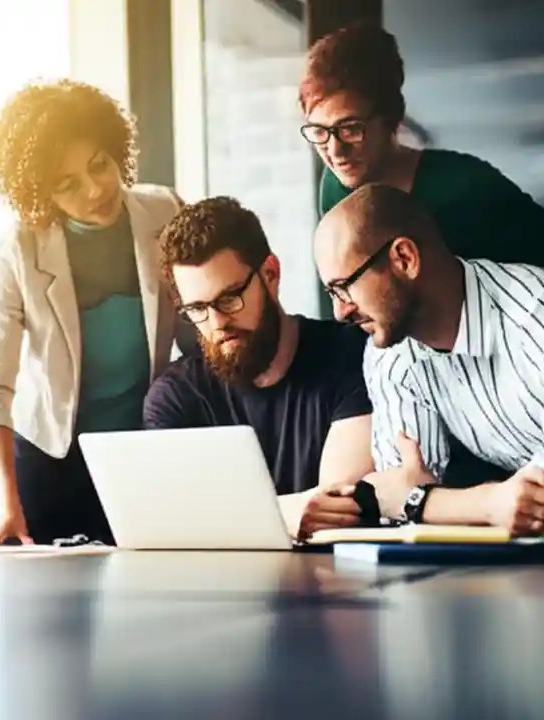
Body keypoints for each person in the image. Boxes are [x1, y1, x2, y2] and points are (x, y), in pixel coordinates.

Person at [313, 183, 544, 538]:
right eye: (332, 292)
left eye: (345, 286)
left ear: (404, 258)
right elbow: (398, 503)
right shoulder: (391, 354)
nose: (340, 311)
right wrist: (483, 503)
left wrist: (438, 502)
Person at [0, 79, 183, 545]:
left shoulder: (165, 211)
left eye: (99, 165)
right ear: (39, 192)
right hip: (41, 468)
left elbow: (203, 341)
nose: (95, 190)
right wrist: (9, 502)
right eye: (67, 185)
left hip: (136, 461)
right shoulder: (19, 249)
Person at [299, 21, 544, 290]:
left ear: (392, 119)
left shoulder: (467, 186)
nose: (335, 150)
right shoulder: (334, 189)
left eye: (350, 128)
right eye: (319, 132)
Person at [144, 197, 374, 538]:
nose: (217, 322)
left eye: (229, 297)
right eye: (197, 309)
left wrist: (226, 518)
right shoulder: (175, 397)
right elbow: (176, 521)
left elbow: (337, 512)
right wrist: (286, 512)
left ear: (270, 274)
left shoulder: (349, 354)